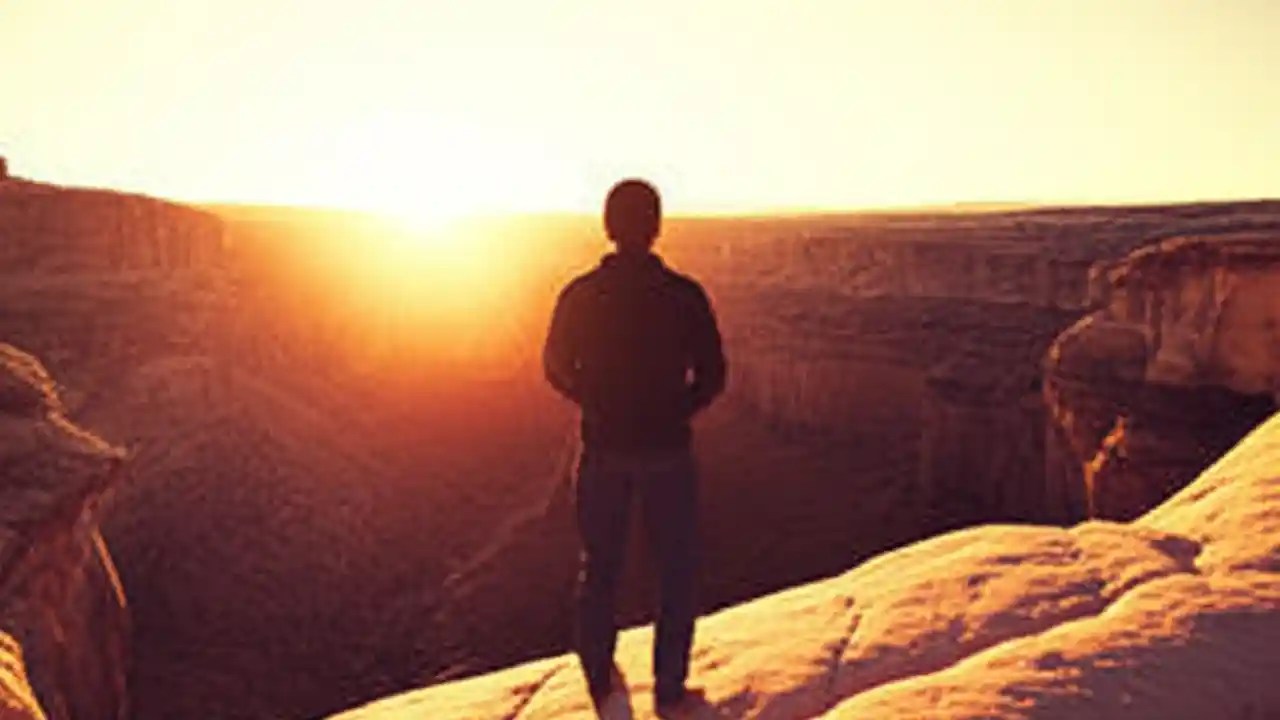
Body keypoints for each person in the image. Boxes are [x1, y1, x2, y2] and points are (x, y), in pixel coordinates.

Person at [543, 179, 727, 710]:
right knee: (676, 569)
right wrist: (676, 408)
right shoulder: (684, 295)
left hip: (603, 448)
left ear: (608, 226)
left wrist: (595, 400)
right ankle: (669, 688)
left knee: (600, 566)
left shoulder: (580, 295)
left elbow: (553, 364)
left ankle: (599, 678)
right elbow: (713, 373)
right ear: (656, 226)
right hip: (668, 452)